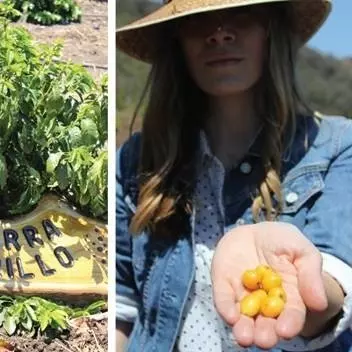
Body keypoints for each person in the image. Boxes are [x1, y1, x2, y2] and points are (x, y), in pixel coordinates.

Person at [116, 0, 352, 350]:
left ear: (271, 28)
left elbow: (338, 278)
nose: (220, 33)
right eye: (198, 20)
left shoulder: (338, 145)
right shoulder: (138, 159)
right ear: (176, 38)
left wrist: (303, 286)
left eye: (242, 14)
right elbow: (121, 308)